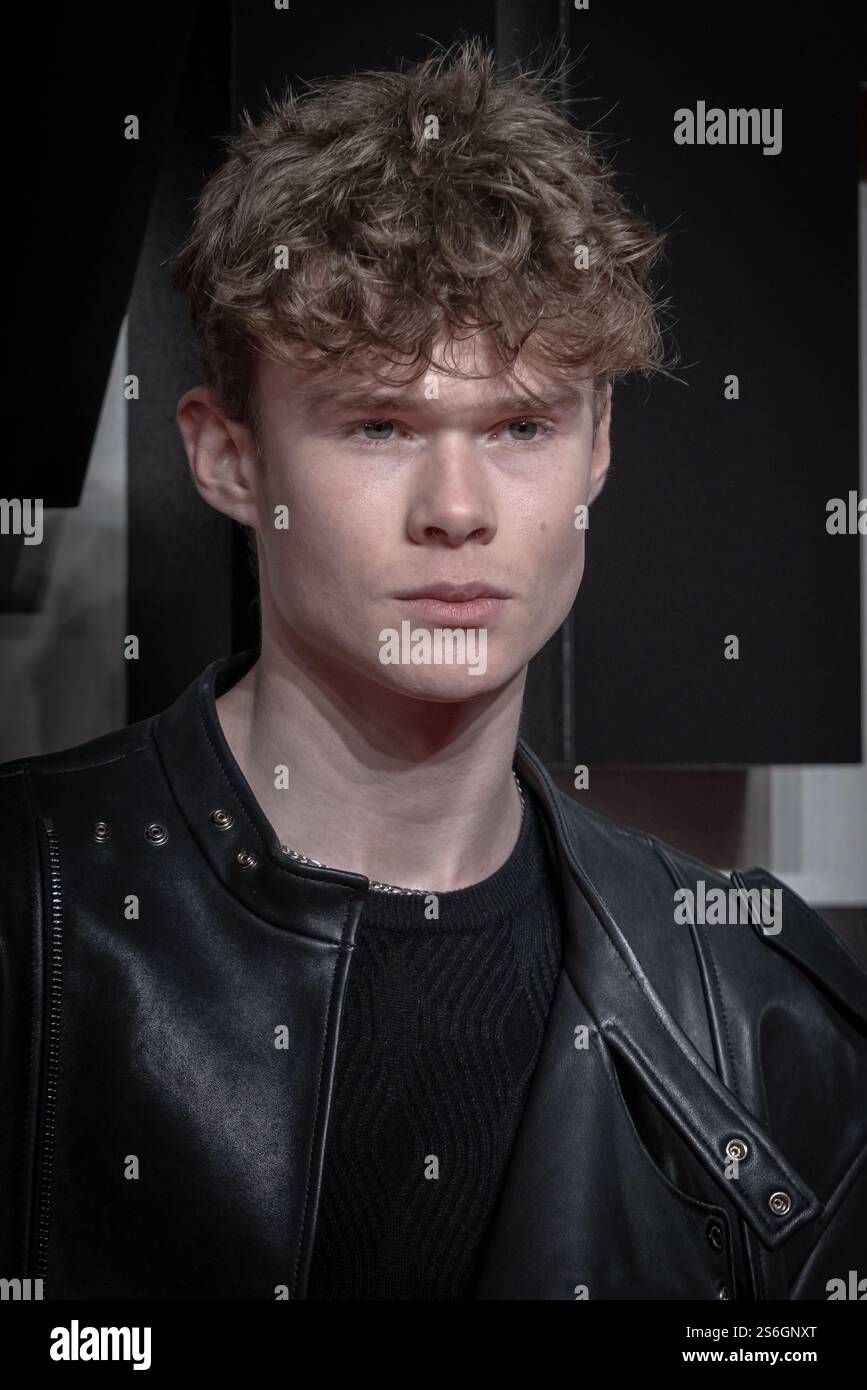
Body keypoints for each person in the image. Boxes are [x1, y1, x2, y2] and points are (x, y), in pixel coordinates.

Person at [1, 40, 864, 1301]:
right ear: (230, 460)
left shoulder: (761, 1012)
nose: (457, 509)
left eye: (520, 425)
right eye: (379, 424)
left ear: (599, 452)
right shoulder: (28, 910)